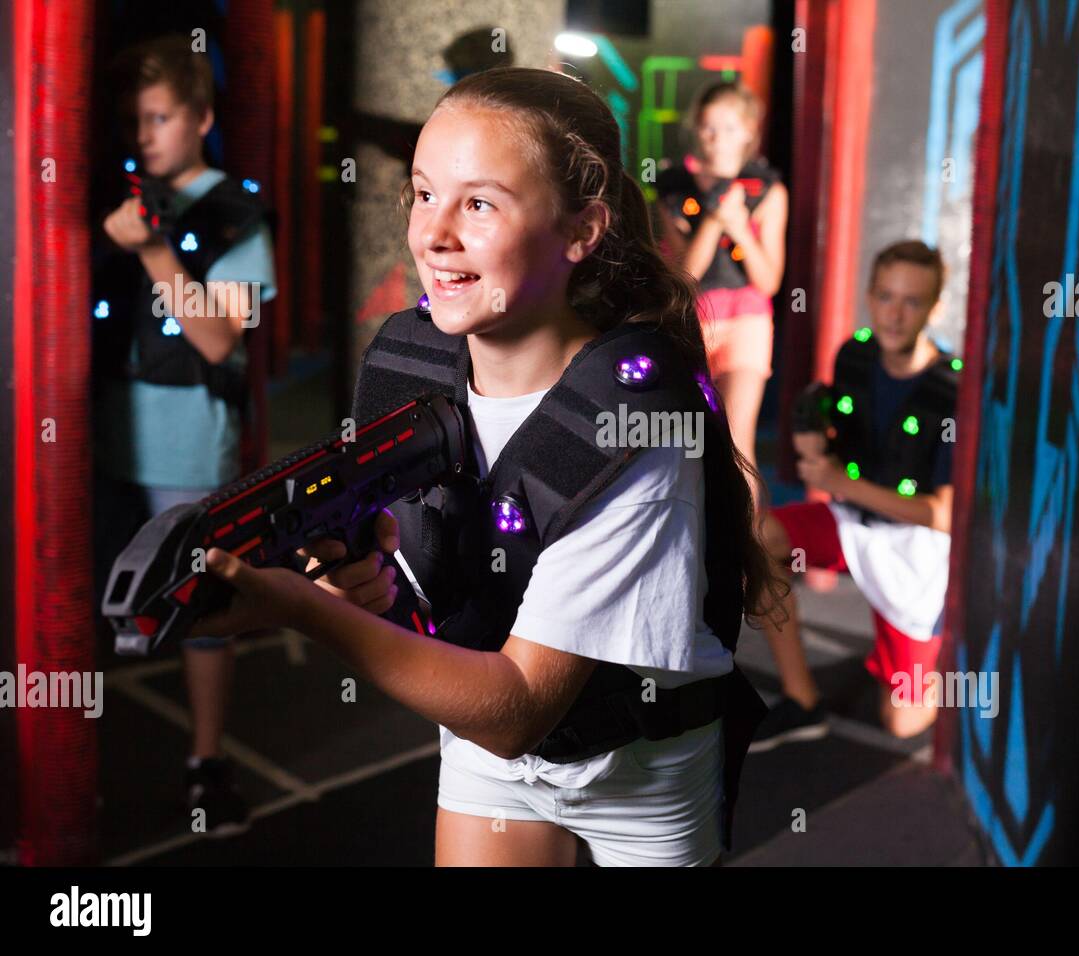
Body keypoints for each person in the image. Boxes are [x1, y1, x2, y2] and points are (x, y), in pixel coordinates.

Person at [189, 66, 783, 867]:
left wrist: (298, 608)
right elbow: (436, 597)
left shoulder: (632, 421)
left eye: (480, 204)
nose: (433, 235)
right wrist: (369, 590)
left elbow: (520, 707)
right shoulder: (408, 364)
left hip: (638, 761)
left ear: (582, 231)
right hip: (488, 740)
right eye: (425, 193)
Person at [91, 35, 276, 835]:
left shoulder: (237, 211)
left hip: (187, 442)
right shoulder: (119, 203)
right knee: (103, 609)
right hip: (105, 436)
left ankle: (207, 763)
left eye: (159, 118)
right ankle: (86, 763)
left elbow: (220, 340)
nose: (143, 135)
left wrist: (155, 251)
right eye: (133, 120)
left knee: (197, 608)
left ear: (200, 117)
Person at [749, 241, 958, 749]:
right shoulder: (856, 354)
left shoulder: (951, 388)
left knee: (902, 722)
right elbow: (842, 433)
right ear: (869, 296)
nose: (896, 313)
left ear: (935, 308)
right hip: (851, 521)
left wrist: (843, 483)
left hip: (917, 550)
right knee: (758, 538)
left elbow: (944, 514)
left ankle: (953, 659)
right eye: (886, 296)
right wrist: (815, 438)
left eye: (912, 301)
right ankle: (802, 700)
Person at [654, 82, 787, 498]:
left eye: (729, 128)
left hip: (746, 319)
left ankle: (747, 549)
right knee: (686, 437)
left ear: (748, 130)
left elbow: (769, 281)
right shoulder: (674, 188)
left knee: (736, 439)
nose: (718, 139)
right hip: (693, 317)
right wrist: (713, 220)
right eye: (709, 128)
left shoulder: (768, 191)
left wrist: (737, 227)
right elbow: (684, 275)